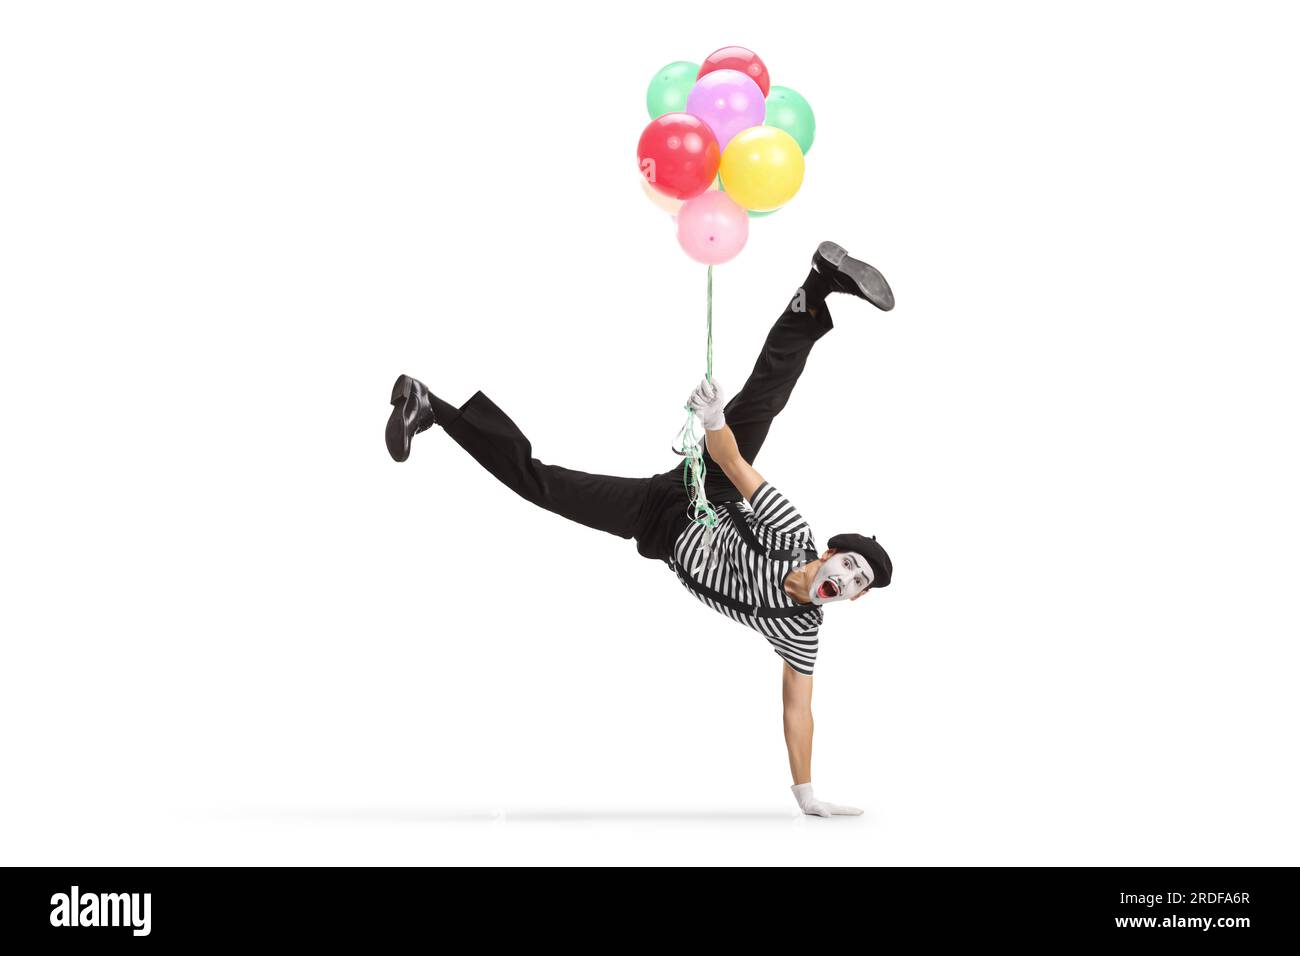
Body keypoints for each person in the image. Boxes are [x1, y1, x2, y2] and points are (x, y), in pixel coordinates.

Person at [385, 241, 896, 817]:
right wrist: (712, 421)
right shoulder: (789, 530)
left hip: (656, 525)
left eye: (858, 583)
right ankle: (817, 288)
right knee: (762, 402)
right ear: (829, 553)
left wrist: (806, 795)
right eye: (850, 564)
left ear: (852, 599)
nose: (848, 577)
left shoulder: (801, 631)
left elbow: (797, 709)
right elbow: (732, 465)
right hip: (704, 493)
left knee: (543, 486)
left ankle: (430, 406)